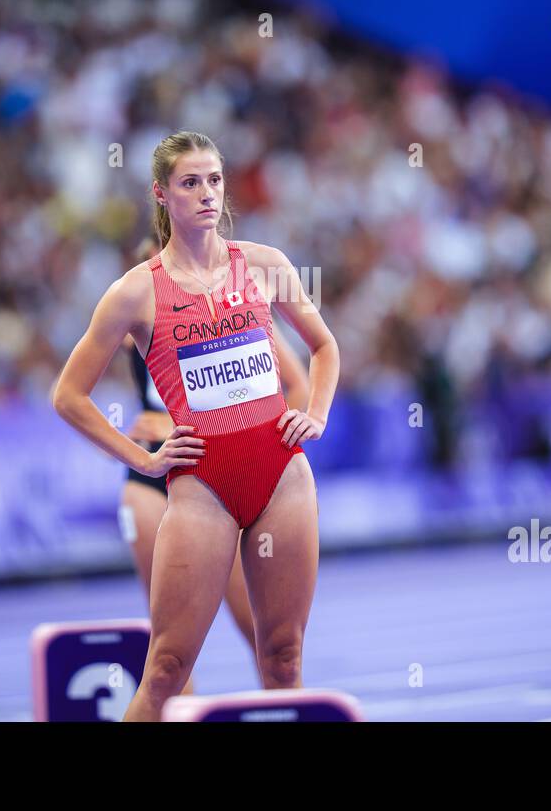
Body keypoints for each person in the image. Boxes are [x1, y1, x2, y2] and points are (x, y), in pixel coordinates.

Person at [53, 130, 340, 721]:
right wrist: (142, 458)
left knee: (283, 658)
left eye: (214, 179)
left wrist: (314, 415)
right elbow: (69, 396)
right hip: (201, 486)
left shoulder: (265, 265)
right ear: (162, 195)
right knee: (166, 669)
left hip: (282, 475)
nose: (208, 193)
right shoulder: (134, 292)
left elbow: (324, 347)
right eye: (191, 182)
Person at [118, 236, 311, 695]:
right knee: (167, 654)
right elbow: (71, 394)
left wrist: (271, 443)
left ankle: (282, 702)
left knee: (272, 645)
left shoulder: (234, 300)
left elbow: (297, 386)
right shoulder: (133, 305)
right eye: (150, 261)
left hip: (227, 472)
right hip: (155, 479)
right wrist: (142, 445)